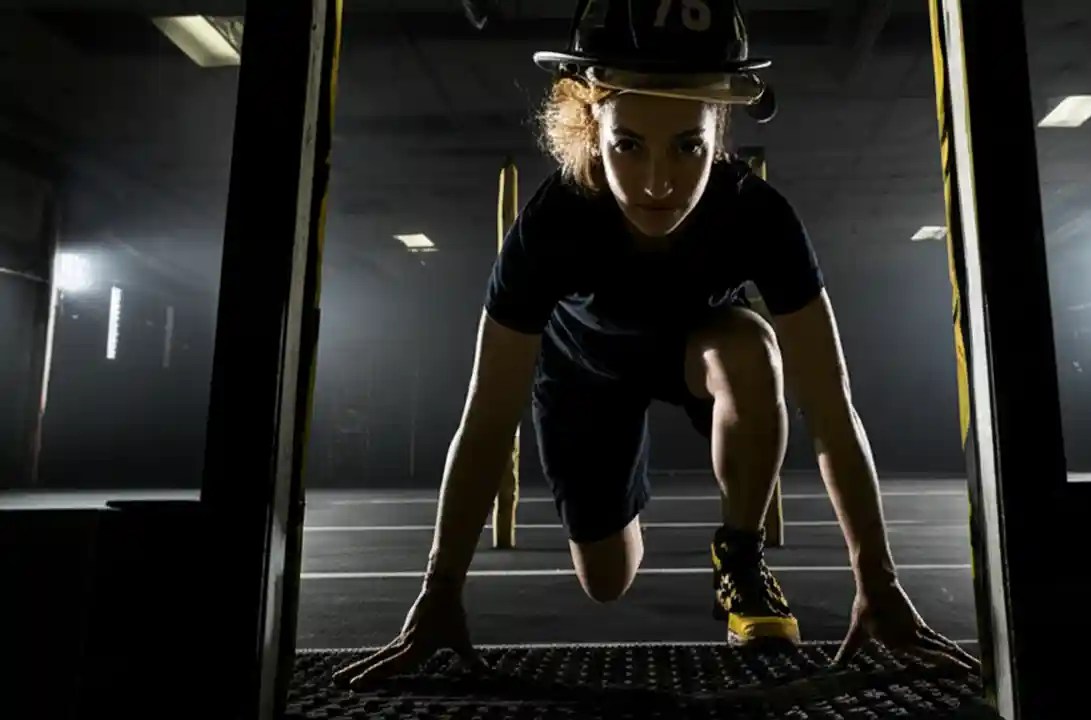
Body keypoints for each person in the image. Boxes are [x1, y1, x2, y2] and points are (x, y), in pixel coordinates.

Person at [334, 0, 978, 689]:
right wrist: (438, 591)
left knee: (753, 350)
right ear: (592, 126)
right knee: (605, 581)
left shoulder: (758, 216)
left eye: (688, 147)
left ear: (719, 128)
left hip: (699, 349)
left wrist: (877, 579)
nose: (658, 182)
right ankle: (617, 492)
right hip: (584, 373)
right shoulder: (553, 223)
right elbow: (488, 418)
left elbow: (830, 405)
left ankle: (740, 556)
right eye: (629, 145)